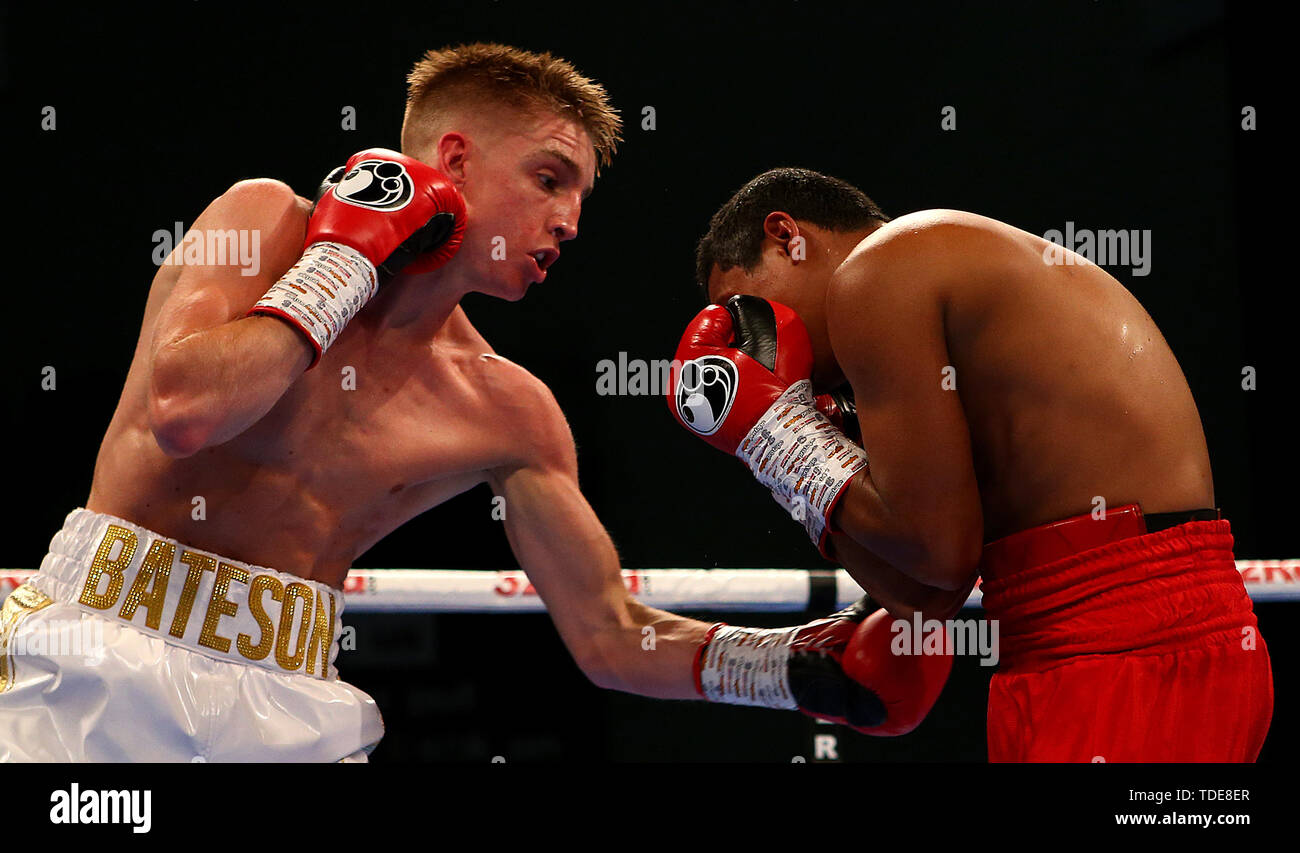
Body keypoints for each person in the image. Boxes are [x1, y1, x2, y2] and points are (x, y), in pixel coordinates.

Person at [0, 47, 946, 762]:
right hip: (96, 652)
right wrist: (345, 259)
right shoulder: (266, 223)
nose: (569, 221)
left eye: (578, 196)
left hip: (283, 702)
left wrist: (799, 669)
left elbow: (611, 635)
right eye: (548, 179)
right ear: (450, 158)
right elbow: (187, 408)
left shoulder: (507, 409)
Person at [668, 166, 1274, 761]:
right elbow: (927, 593)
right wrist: (781, 445)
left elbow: (937, 552)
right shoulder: (921, 306)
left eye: (743, 308)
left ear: (785, 237)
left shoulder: (879, 271)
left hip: (1127, 647)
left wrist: (777, 434)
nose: (750, 345)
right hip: (1097, 647)